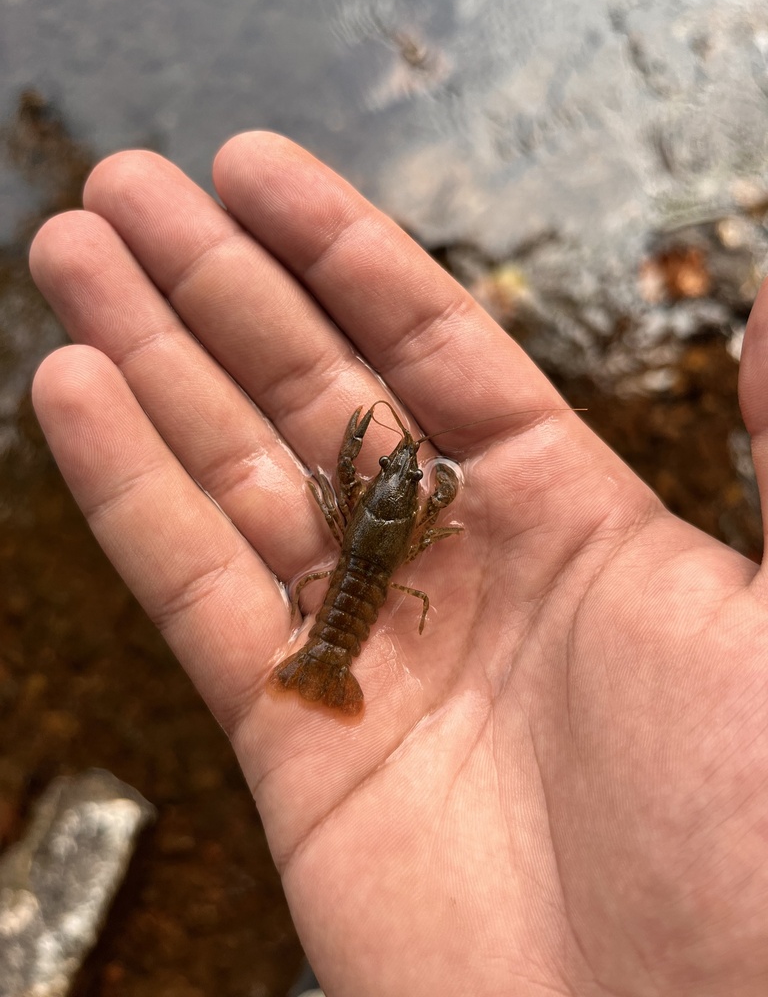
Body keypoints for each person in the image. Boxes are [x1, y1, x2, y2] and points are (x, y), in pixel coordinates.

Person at [30, 132, 768, 996]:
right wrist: (419, 490)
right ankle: (322, 664)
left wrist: (367, 491)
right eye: (398, 473)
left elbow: (345, 488)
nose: (396, 470)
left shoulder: (363, 509)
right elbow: (428, 520)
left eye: (400, 476)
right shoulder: (418, 522)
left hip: (343, 587)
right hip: (364, 586)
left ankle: (324, 662)